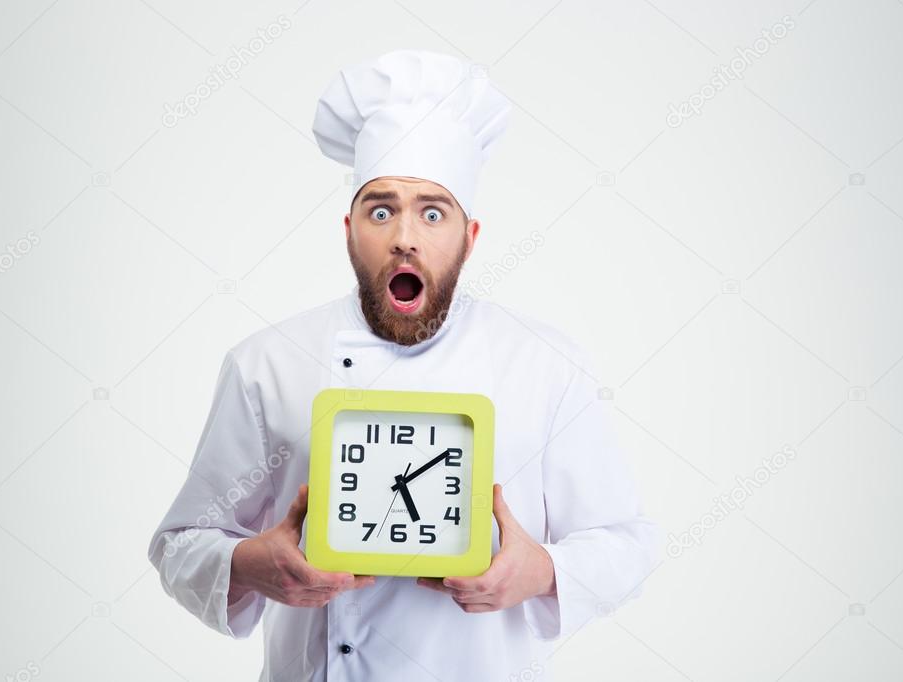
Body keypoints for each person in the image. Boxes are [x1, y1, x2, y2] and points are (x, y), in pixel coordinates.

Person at [148, 48, 660, 681]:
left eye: (433, 212)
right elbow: (180, 544)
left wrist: (543, 571)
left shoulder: (546, 365)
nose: (405, 238)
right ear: (349, 230)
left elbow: (628, 544)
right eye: (381, 210)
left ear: (469, 238)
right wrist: (249, 564)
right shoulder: (267, 364)